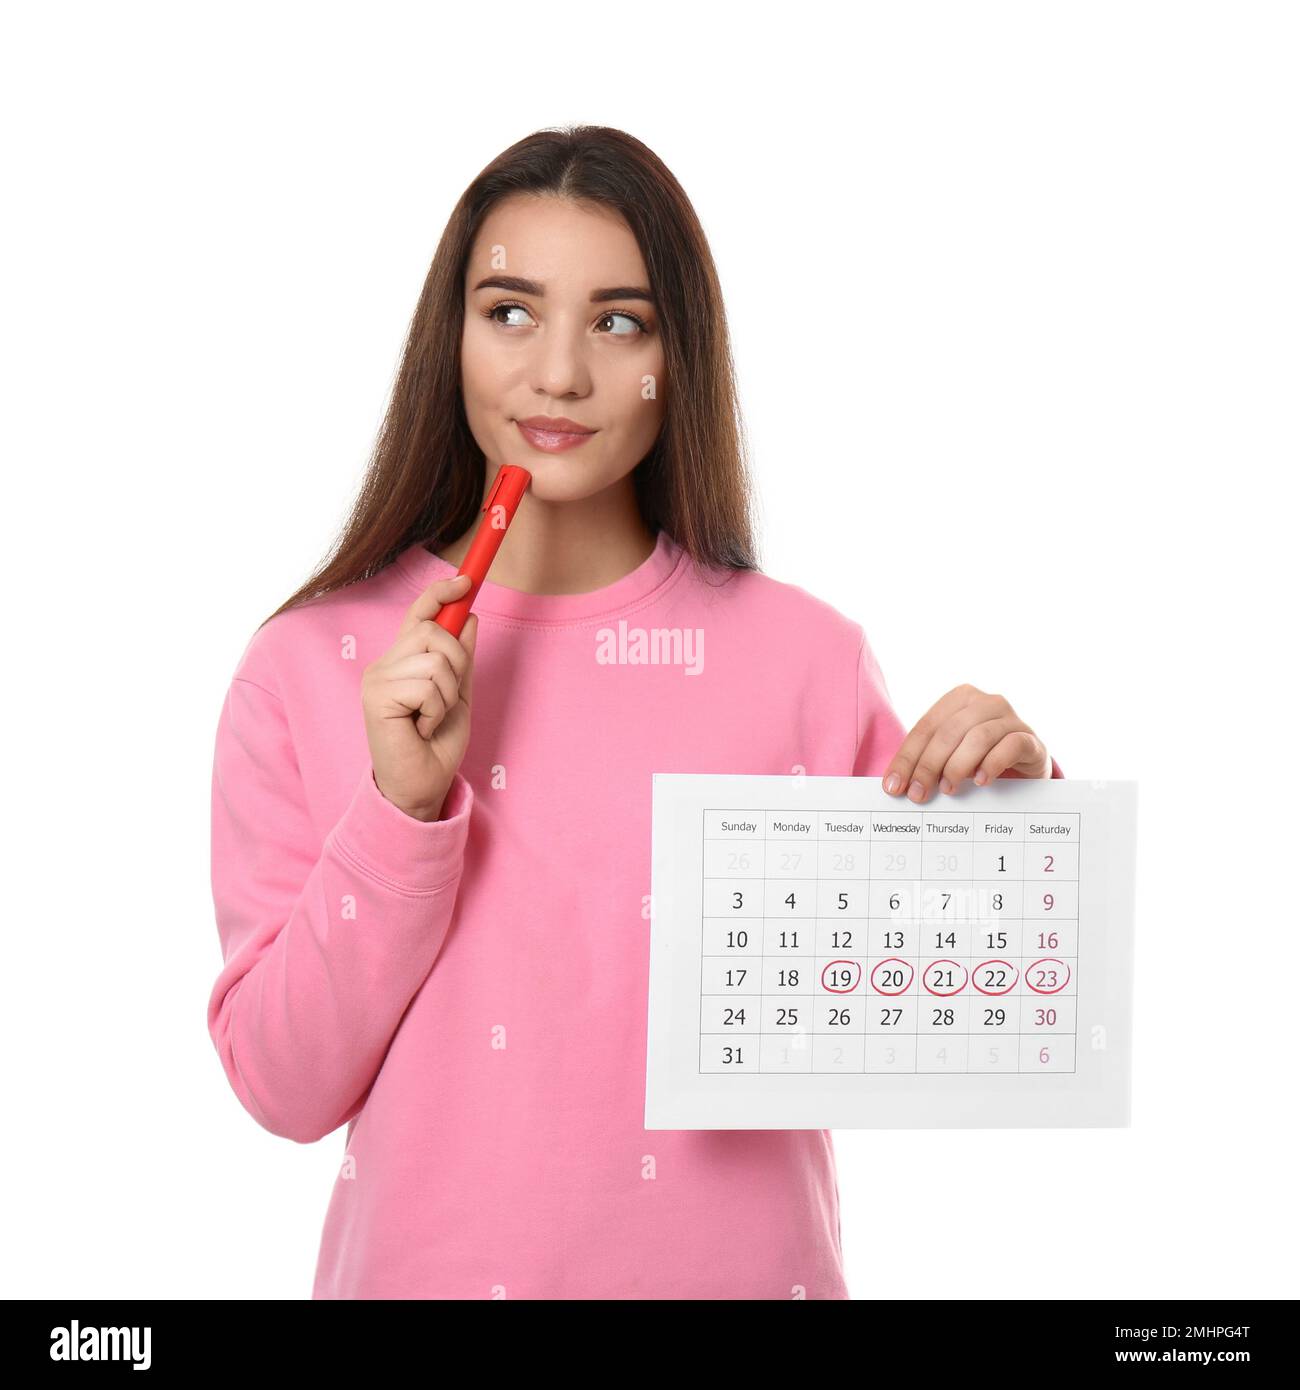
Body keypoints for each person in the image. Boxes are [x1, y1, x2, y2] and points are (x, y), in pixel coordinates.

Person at [207, 125, 1063, 1300]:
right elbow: (281, 1086)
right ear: (446, 340)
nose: (558, 374)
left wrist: (1021, 826)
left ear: (679, 355)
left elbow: (977, 1024)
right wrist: (402, 811)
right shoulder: (306, 666)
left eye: (619, 322)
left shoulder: (804, 660)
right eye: (509, 310)